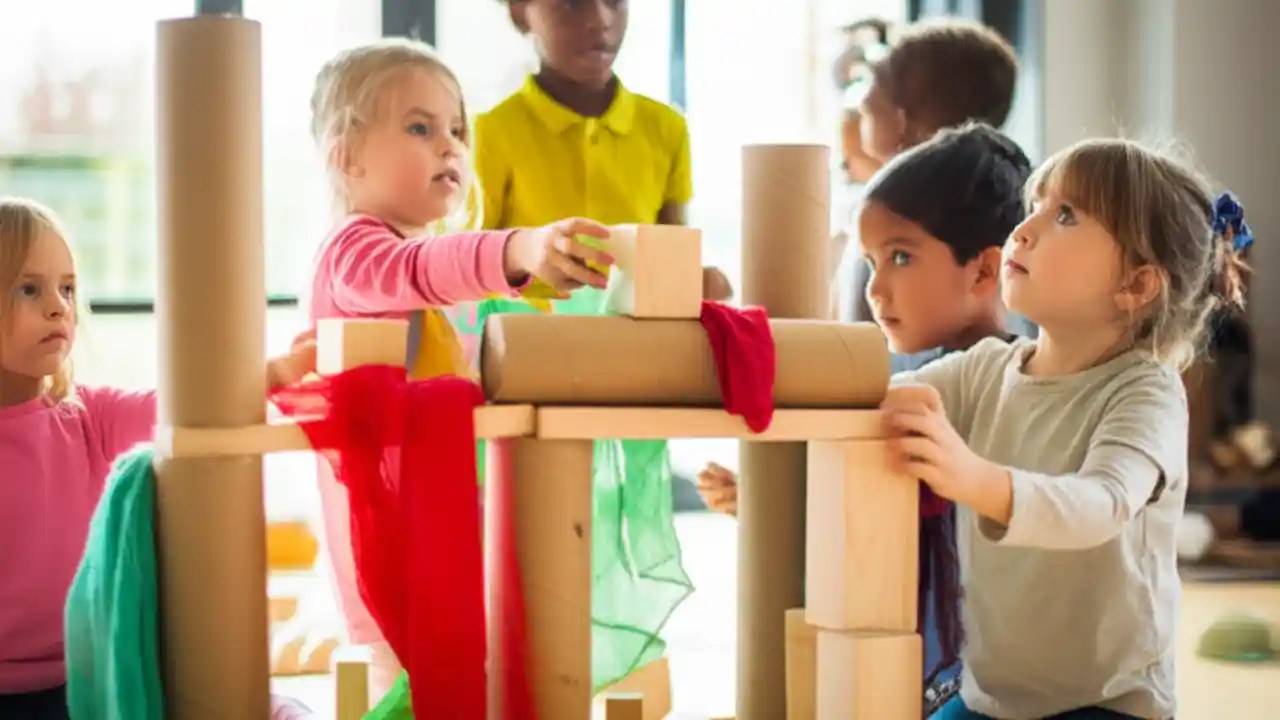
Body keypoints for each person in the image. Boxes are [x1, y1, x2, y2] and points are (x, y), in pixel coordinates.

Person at [883, 139, 1251, 719]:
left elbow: (1100, 503)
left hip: (1108, 704)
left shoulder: (1145, 392)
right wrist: (772, 486)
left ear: (1135, 285)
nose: (1023, 230)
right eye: (1035, 205)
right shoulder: (986, 369)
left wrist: (974, 478)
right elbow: (872, 408)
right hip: (989, 699)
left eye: (1065, 215)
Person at [306, 37, 614, 695]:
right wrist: (516, 249)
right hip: (383, 535)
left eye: (456, 130)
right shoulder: (354, 252)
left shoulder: (420, 261)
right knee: (410, 676)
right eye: (420, 128)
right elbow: (418, 273)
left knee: (467, 662)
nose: (450, 146)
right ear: (347, 157)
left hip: (442, 507)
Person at [700, 124, 1031, 712]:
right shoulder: (916, 370)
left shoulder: (1007, 378)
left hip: (986, 656)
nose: (876, 288)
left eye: (901, 257)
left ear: (983, 271)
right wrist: (767, 501)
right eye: (872, 261)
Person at [458, 0, 728, 690]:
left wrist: (703, 282)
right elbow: (475, 267)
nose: (599, 20)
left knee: (621, 541)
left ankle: (625, 687)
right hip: (530, 384)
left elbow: (674, 257)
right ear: (522, 12)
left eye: (614, 1)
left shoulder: (665, 129)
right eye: (573, 4)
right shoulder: (491, 132)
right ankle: (532, 684)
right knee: (533, 551)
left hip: (632, 376)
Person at [0, 197, 313, 720]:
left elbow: (187, 404)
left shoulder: (86, 417)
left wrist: (276, 372)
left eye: (68, 288)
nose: (59, 306)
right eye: (29, 288)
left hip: (85, 678)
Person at [835, 17, 1018, 332]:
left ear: (904, 120)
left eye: (879, 81)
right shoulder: (993, 213)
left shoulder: (899, 232)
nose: (863, 99)